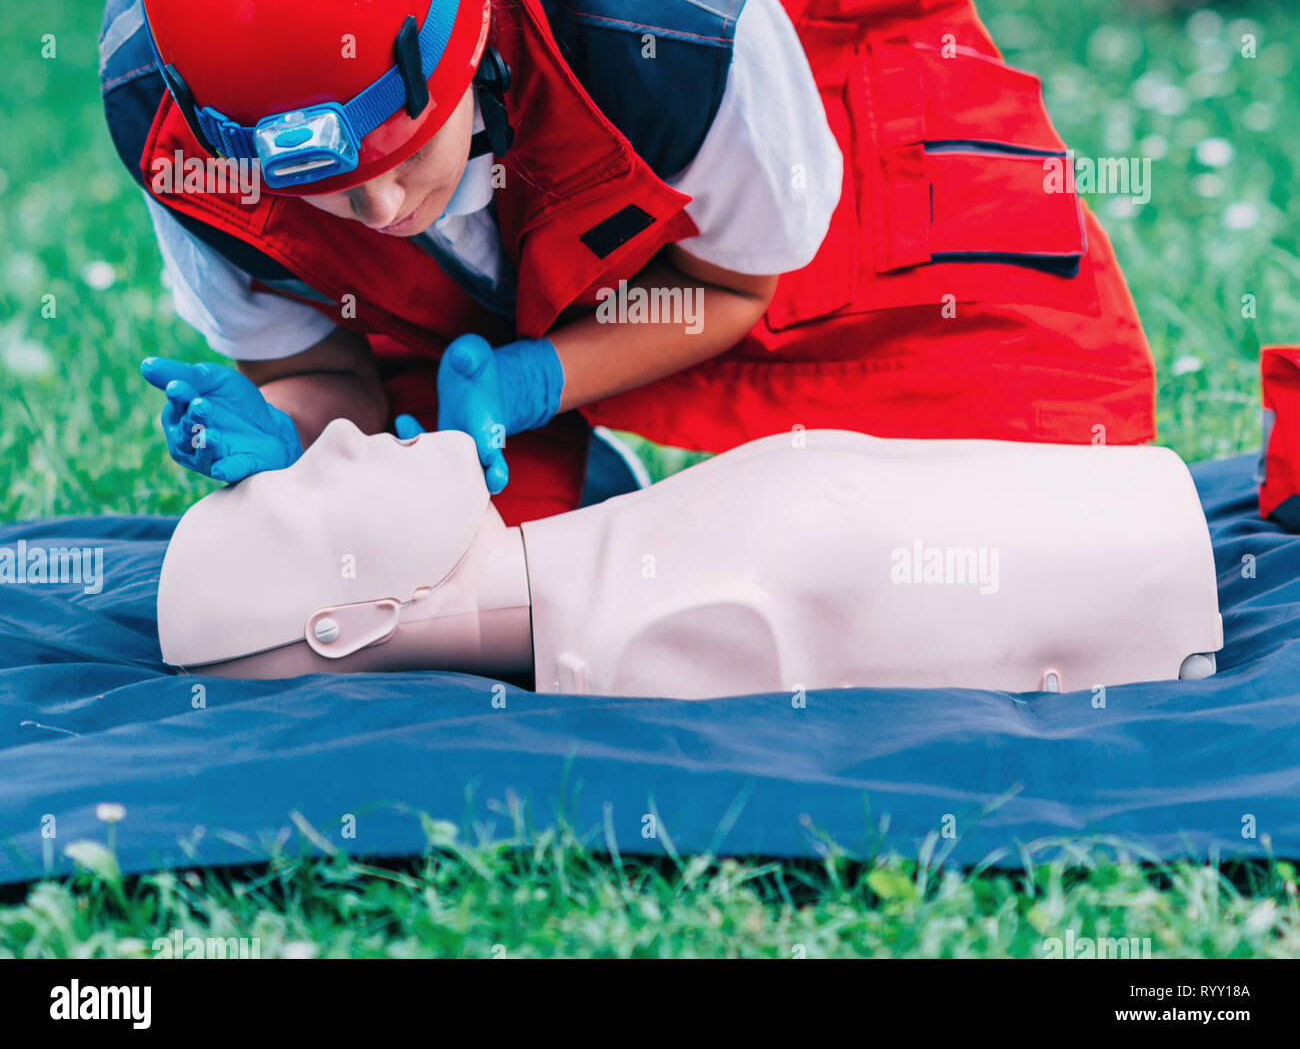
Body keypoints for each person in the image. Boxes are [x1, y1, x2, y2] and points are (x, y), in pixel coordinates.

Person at [100, 0, 1157, 526]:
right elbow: (328, 372)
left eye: (404, 154)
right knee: (405, 572)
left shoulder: (682, 8)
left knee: (1060, 493)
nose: (381, 216)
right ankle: (588, 489)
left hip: (807, 139)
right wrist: (297, 436)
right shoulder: (175, 114)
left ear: (469, 38)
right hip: (494, 289)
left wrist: (533, 377)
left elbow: (732, 286)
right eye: (331, 194)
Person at [157, 418, 1221, 696]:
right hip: (1161, 580)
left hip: (1148, 523)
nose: (332, 442)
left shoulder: (629, 569)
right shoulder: (669, 633)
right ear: (346, 624)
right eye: (302, 498)